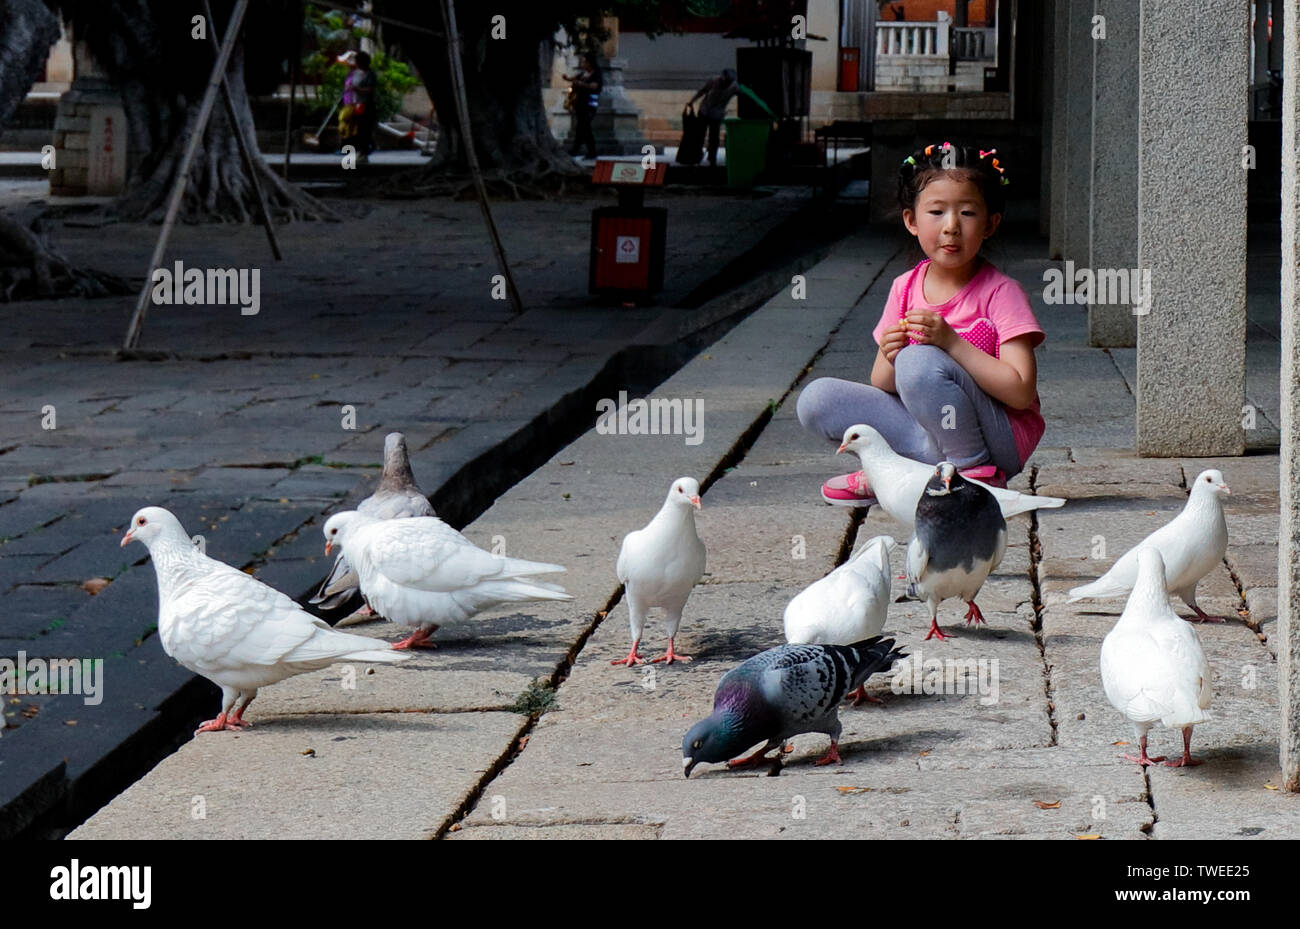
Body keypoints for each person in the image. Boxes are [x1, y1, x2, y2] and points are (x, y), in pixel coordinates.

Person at [796, 143, 1045, 505]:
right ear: (911, 220)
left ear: (991, 223)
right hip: (930, 433)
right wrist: (890, 351)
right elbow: (883, 383)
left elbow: (1021, 391)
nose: (951, 227)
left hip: (996, 438)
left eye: (968, 212)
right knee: (817, 400)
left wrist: (952, 343)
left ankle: (972, 475)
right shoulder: (905, 287)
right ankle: (899, 471)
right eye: (937, 211)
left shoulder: (1001, 292)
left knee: (918, 361)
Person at [688, 68, 739, 166]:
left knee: (714, 137)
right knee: (699, 135)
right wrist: (692, 101)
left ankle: (712, 157)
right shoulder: (714, 81)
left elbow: (742, 93)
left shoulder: (734, 87)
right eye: (723, 81)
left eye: (727, 82)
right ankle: (697, 156)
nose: (724, 84)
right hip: (705, 111)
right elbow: (702, 91)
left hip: (717, 114)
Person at [339, 51, 378, 159]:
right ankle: (360, 149)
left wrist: (357, 89)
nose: (356, 63)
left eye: (357, 61)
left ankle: (364, 151)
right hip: (355, 104)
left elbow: (371, 90)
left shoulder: (370, 74)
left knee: (364, 128)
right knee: (356, 129)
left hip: (366, 104)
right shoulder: (355, 72)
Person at [564, 54, 602, 159]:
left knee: (585, 128)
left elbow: (594, 86)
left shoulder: (596, 74)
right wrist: (567, 78)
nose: (583, 64)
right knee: (581, 128)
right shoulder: (583, 74)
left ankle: (589, 151)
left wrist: (580, 84)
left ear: (590, 63)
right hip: (579, 104)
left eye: (585, 62)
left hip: (589, 104)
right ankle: (578, 150)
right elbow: (573, 78)